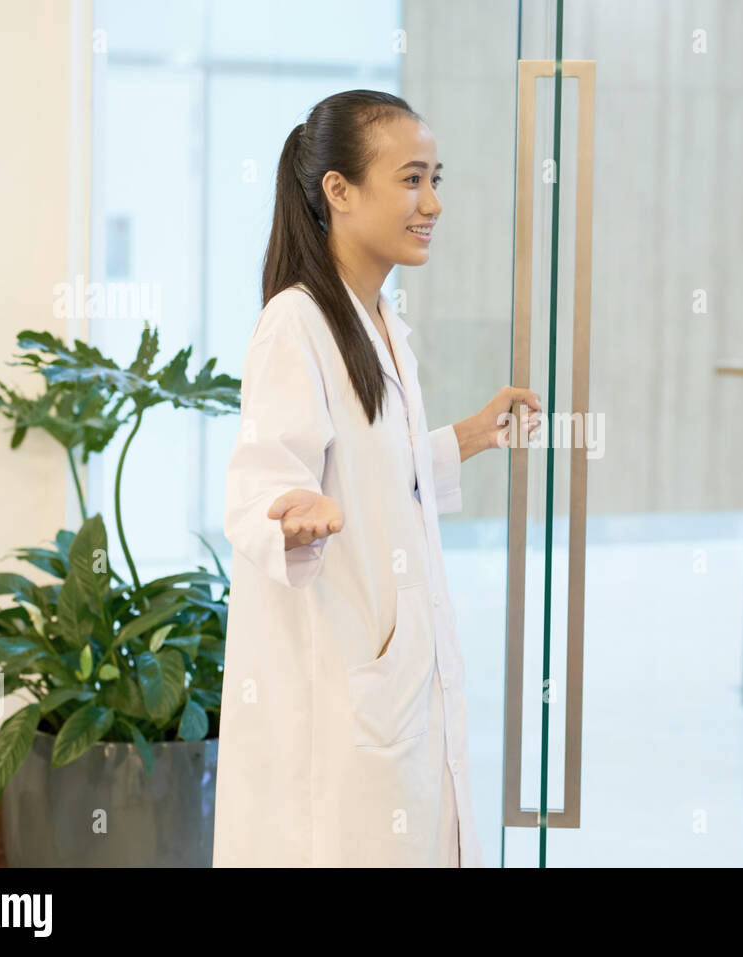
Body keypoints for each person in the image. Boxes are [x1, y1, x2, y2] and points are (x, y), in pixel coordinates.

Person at [213, 90, 539, 867]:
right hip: (346, 695)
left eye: (436, 180)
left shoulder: (380, 320)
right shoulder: (297, 322)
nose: (432, 203)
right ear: (339, 190)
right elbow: (262, 482)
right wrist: (287, 515)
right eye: (411, 180)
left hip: (389, 687)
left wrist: (462, 438)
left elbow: (369, 473)